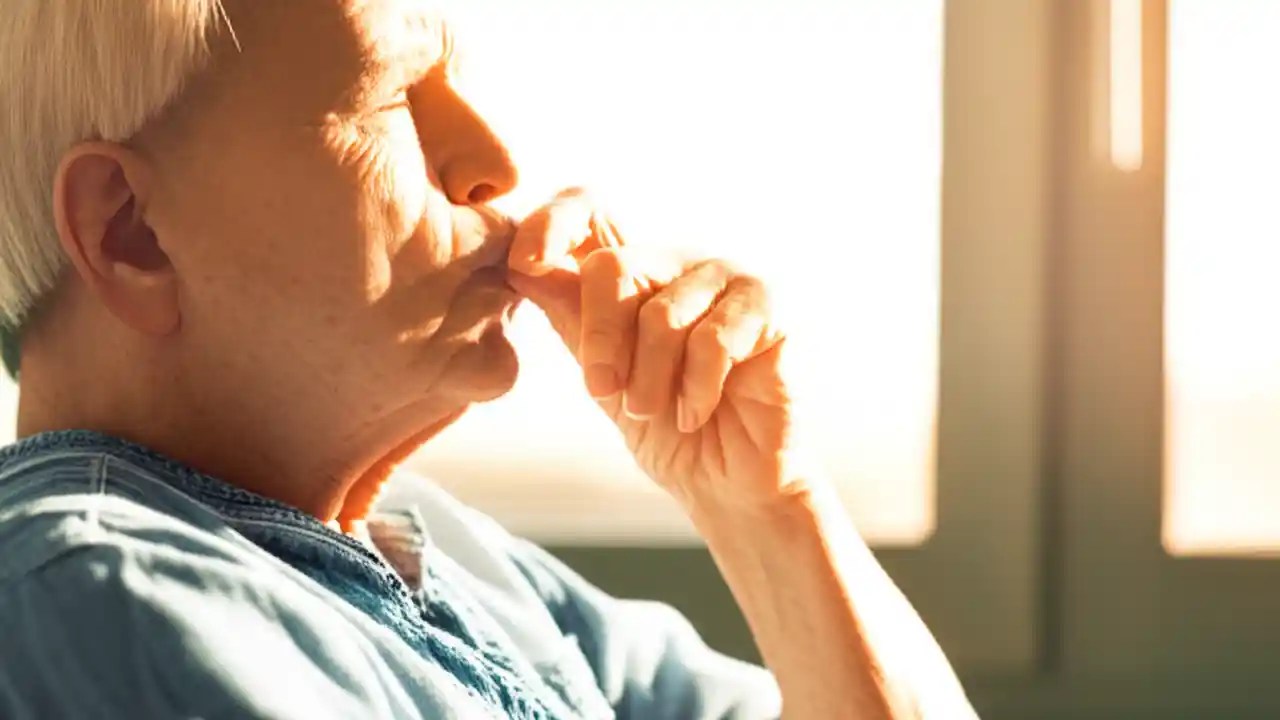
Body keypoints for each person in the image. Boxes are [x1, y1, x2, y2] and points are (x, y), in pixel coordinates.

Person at [0, 2, 975, 718]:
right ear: (131, 234)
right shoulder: (97, 595)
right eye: (390, 98)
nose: (494, 162)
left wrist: (768, 509)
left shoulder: (457, 559)